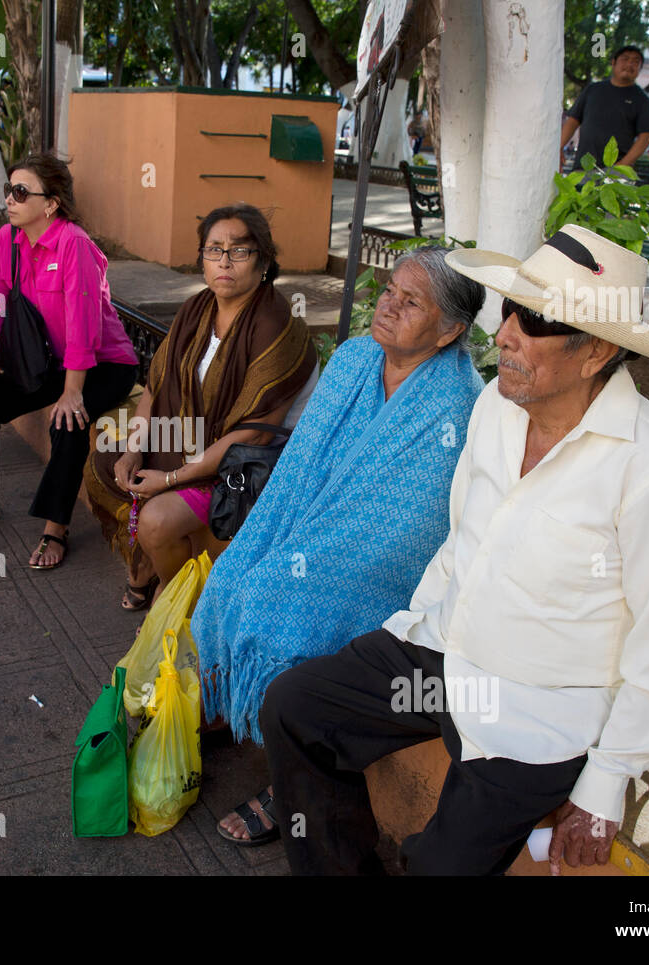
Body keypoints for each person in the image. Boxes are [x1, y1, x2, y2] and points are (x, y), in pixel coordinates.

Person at [259, 225, 649, 876]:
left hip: (537, 713)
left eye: (533, 320)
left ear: (597, 352)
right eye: (510, 308)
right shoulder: (498, 410)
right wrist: (411, 624)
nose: (505, 333)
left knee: (440, 866)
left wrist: (606, 780)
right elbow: (460, 542)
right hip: (445, 657)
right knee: (294, 707)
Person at [193, 248, 487, 846]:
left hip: (382, 569)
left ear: (451, 330)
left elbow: (411, 527)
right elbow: (302, 469)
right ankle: (235, 704)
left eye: (412, 302)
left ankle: (287, 785)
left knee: (286, 604)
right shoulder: (353, 359)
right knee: (233, 576)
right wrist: (278, 543)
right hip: (310, 532)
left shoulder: (458, 404)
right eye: (389, 290)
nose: (389, 305)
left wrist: (310, 565)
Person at [84, 204, 318, 610]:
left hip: (248, 467)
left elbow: (255, 434)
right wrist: (136, 447)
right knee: (103, 464)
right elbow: (155, 390)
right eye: (214, 250)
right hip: (193, 443)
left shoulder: (278, 326)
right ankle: (150, 569)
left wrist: (172, 478)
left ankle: (178, 598)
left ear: (263, 261)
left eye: (239, 251)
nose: (224, 261)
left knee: (157, 520)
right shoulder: (196, 310)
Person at [0, 157, 139, 568]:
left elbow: (84, 326)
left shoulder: (73, 244)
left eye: (22, 192)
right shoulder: (8, 241)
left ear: (51, 204)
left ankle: (54, 528)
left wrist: (73, 392)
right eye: (10, 190)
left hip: (103, 363)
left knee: (68, 420)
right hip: (49, 360)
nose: (10, 199)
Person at [560, 45, 649, 172]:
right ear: (613, 62)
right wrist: (559, 148)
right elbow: (573, 120)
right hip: (582, 168)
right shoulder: (592, 90)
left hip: (616, 174)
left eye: (635, 62)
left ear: (640, 69)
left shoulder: (643, 100)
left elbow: (645, 137)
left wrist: (622, 165)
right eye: (625, 59)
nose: (629, 64)